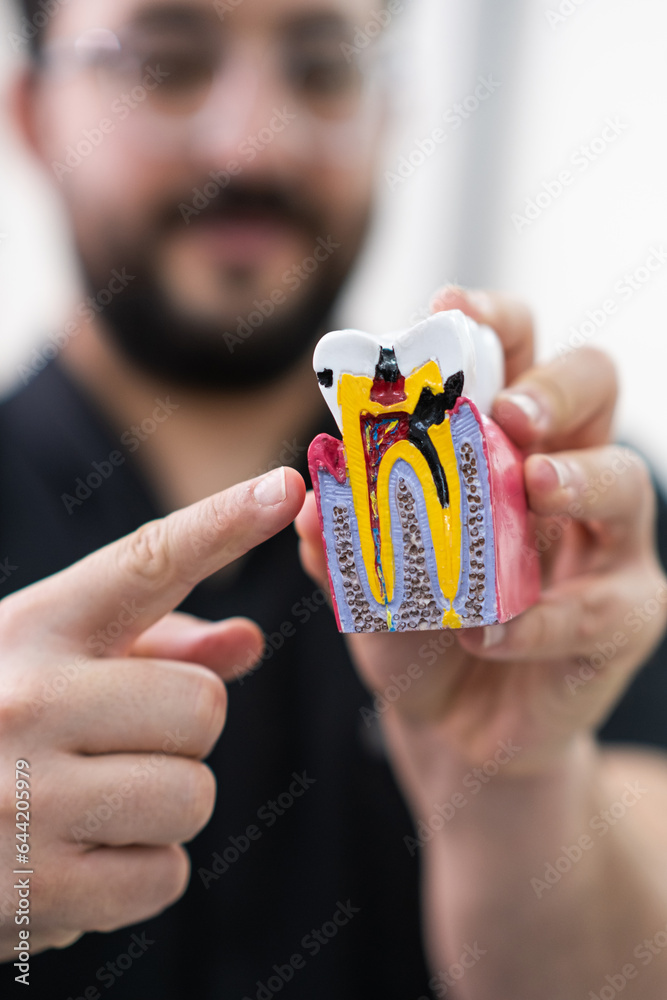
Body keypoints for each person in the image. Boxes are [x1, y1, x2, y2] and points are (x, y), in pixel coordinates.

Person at [2, 0, 667, 997]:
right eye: (166, 63)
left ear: (386, 109)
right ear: (34, 113)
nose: (248, 144)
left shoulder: (570, 527)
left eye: (320, 67)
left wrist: (517, 786)